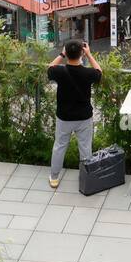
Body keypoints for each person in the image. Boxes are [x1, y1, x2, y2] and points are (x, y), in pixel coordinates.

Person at [47, 40, 102, 188]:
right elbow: (99, 72)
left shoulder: (59, 71)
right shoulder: (88, 73)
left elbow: (50, 67)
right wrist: (89, 55)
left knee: (59, 146)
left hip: (64, 116)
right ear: (81, 53)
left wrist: (62, 54)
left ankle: (54, 178)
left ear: (66, 53)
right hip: (84, 117)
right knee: (85, 148)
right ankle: (85, 179)